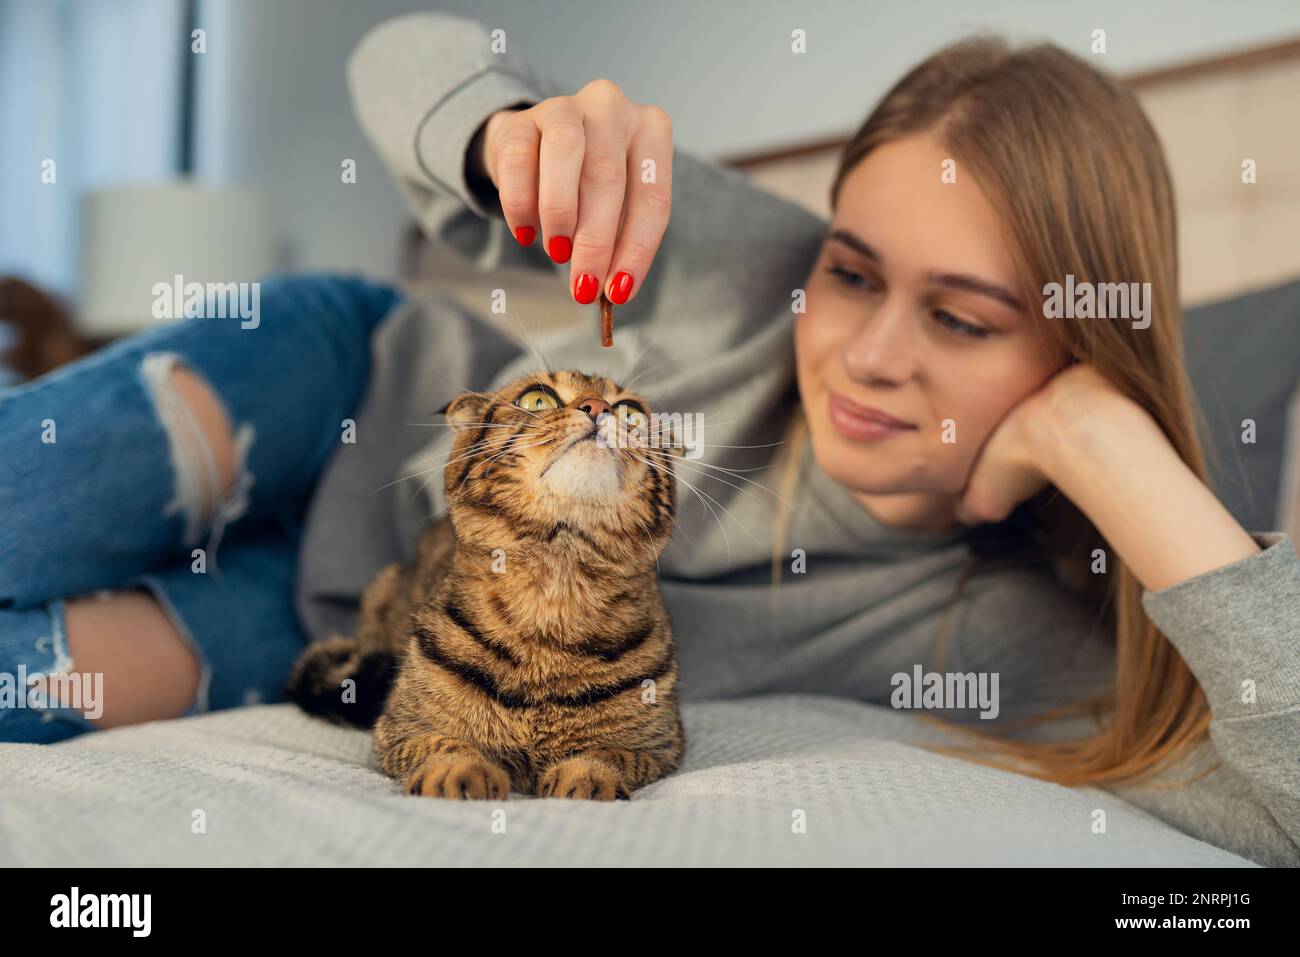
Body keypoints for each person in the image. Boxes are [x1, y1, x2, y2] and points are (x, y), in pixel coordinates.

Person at [1, 13, 1296, 866]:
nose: (869, 353)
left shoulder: (1006, 635)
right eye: (852, 274)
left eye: (961, 317)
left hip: (331, 627)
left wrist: (1105, 443)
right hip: (347, 386)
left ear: (1076, 344)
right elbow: (396, 56)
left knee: (26, 676)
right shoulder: (748, 264)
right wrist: (513, 131)